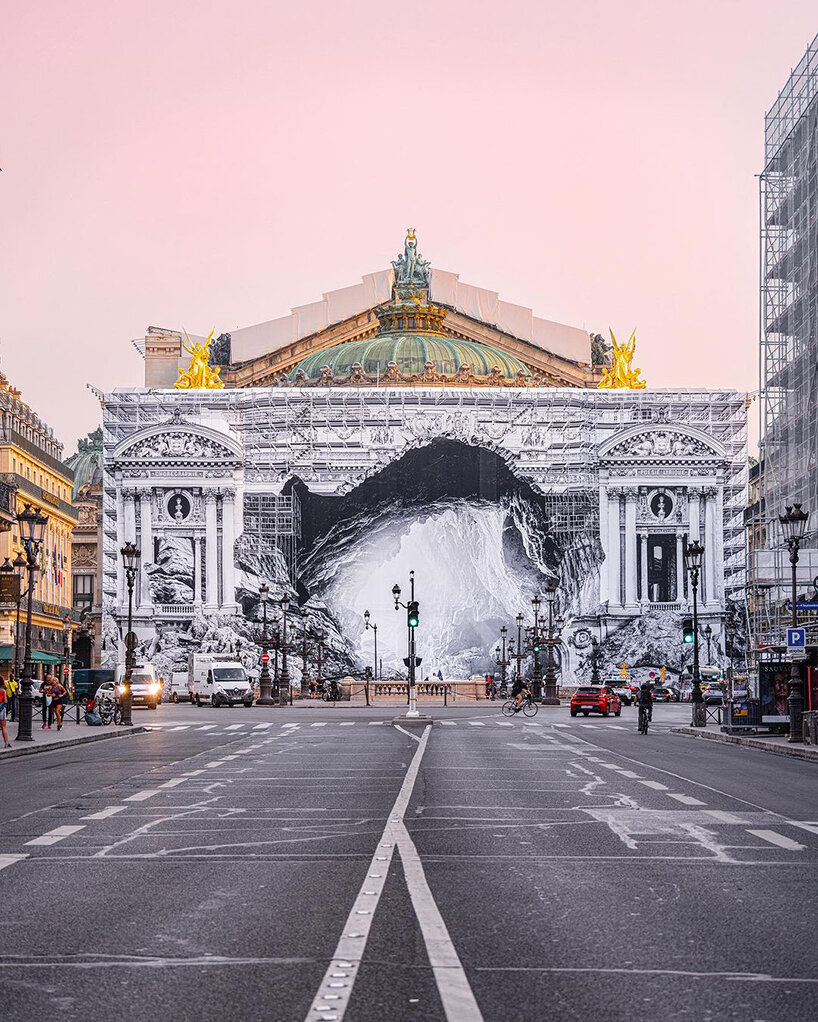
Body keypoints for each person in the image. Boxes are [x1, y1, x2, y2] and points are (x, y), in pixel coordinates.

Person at [0, 673, 12, 748]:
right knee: (3, 727)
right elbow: (6, 701)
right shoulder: (3, 691)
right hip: (1, 710)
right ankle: (6, 743)